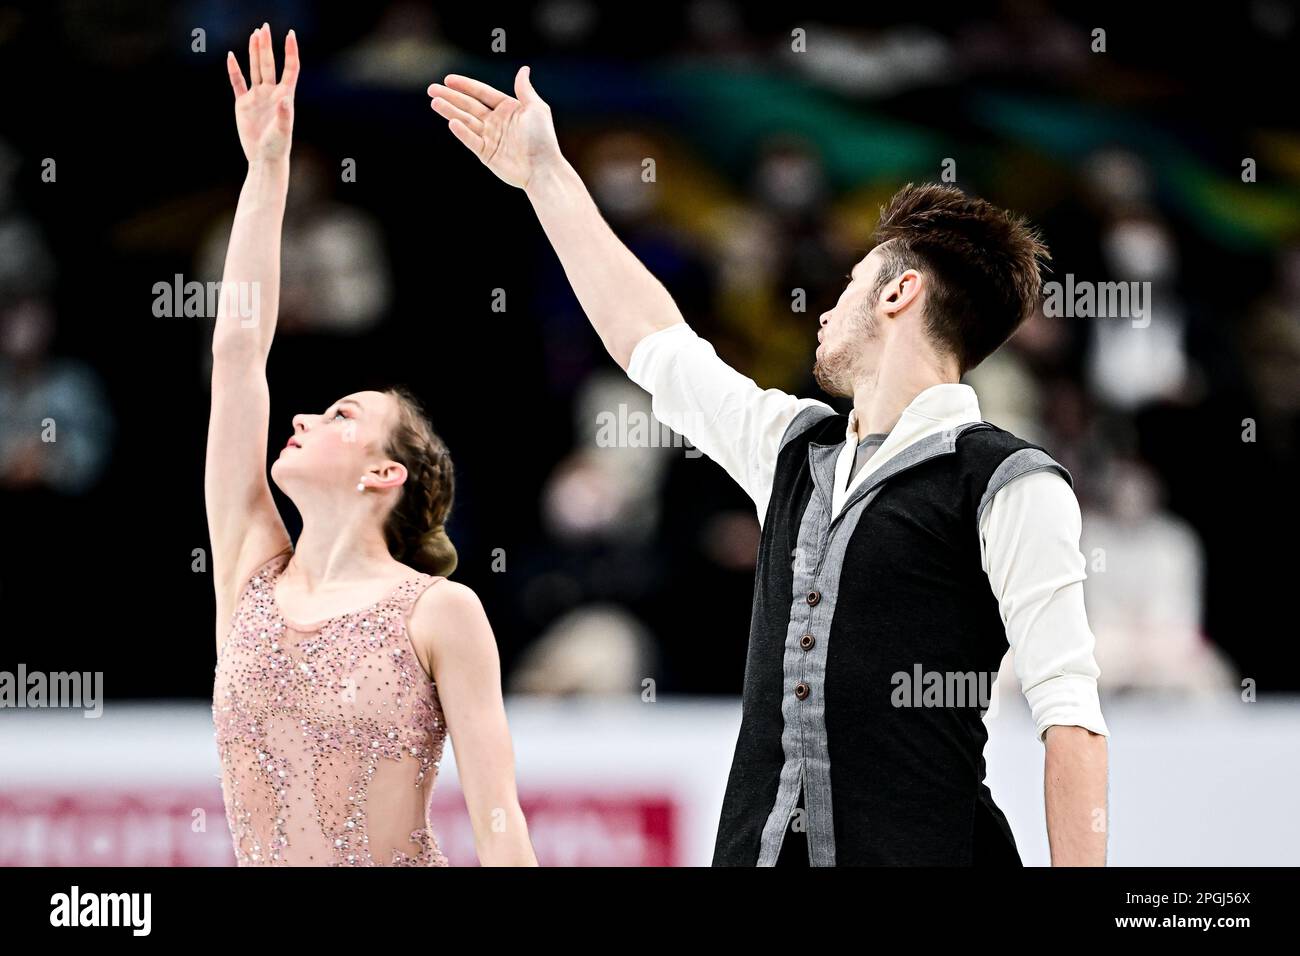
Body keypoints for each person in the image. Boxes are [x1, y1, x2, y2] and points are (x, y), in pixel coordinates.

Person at [429, 66, 1110, 866]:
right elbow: (652, 340)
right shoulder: (793, 445)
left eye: (850, 285)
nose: (825, 310)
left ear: (900, 296)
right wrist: (547, 178)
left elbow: (1070, 715)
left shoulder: (1009, 482)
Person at [209, 25, 536, 866]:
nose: (304, 420)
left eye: (341, 415)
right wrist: (267, 171)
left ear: (384, 474)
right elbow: (239, 348)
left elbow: (498, 817)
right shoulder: (251, 563)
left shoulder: (439, 611)